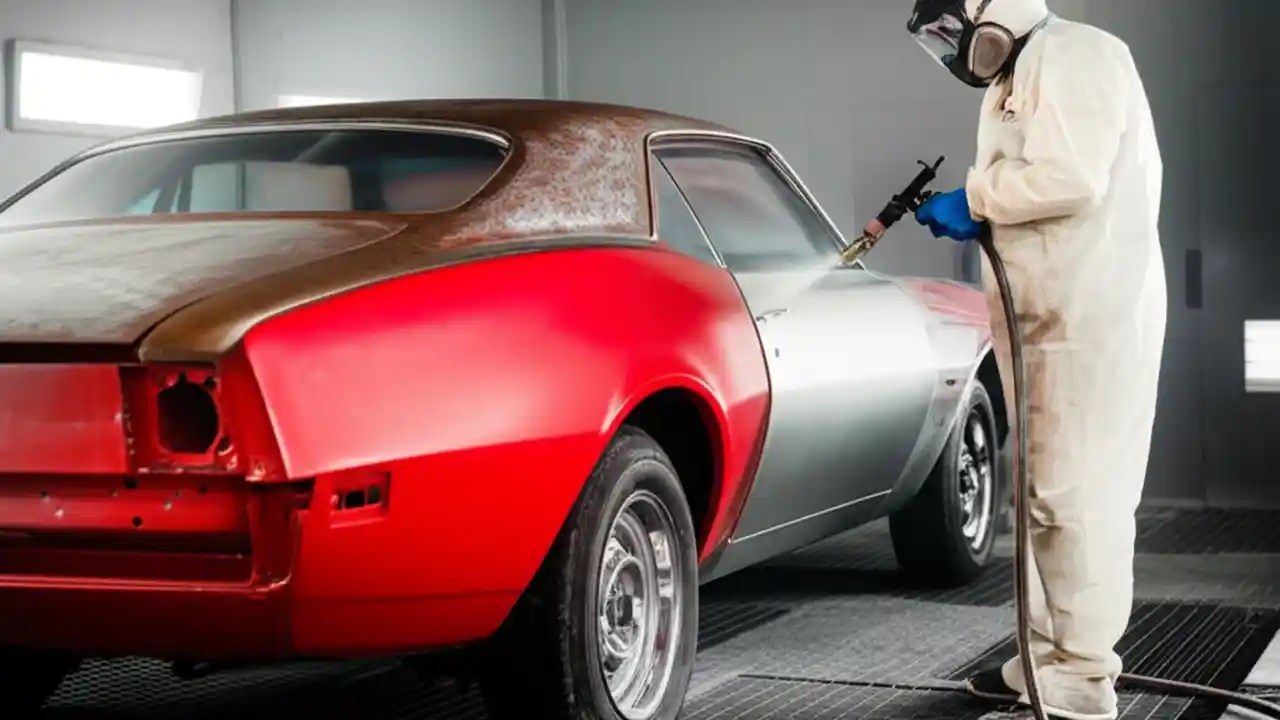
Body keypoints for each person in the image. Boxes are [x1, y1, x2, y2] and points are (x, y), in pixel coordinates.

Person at [906, 1, 1168, 719]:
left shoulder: (1077, 53)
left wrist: (977, 198)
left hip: (1088, 315)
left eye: (950, 27)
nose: (953, 47)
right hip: (1049, 317)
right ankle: (1043, 660)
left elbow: (1070, 176)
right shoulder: (1022, 70)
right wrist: (980, 203)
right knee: (1046, 499)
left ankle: (1082, 682)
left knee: (1078, 501)